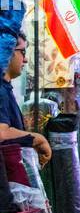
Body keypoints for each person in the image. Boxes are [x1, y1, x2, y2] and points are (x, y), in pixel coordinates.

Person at [0, 20, 52, 166]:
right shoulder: (1, 90)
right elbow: (2, 134)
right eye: (22, 52)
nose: (26, 59)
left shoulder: (5, 89)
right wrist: (38, 139)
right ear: (8, 52)